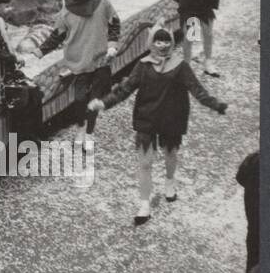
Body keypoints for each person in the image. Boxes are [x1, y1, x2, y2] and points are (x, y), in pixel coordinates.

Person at [88, 25, 227, 226]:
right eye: (158, 41)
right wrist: (104, 102)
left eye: (166, 41)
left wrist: (215, 104)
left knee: (170, 154)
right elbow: (124, 89)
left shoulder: (180, 66)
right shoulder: (143, 66)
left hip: (172, 118)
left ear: (171, 42)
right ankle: (144, 205)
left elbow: (197, 89)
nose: (162, 45)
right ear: (151, 43)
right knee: (145, 162)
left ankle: (170, 181)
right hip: (147, 119)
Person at [41, 0, 120, 131]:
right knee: (79, 98)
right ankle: (80, 128)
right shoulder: (67, 12)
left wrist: (112, 45)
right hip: (79, 61)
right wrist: (40, 51)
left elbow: (114, 23)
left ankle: (89, 132)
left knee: (94, 100)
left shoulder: (102, 3)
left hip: (100, 58)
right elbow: (57, 35)